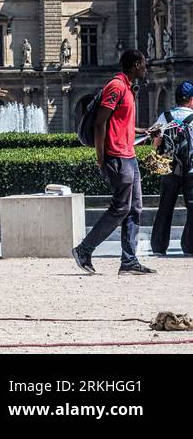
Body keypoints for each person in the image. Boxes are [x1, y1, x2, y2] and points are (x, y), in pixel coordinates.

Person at [72, 50, 155, 275]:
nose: (146, 69)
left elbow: (119, 122)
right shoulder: (116, 86)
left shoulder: (127, 87)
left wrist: (142, 130)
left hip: (129, 155)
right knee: (120, 208)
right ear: (136, 64)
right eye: (144, 65)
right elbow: (100, 123)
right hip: (117, 156)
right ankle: (84, 249)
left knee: (134, 208)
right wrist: (101, 158)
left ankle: (129, 261)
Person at [149, 81, 193, 255]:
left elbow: (155, 143)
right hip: (191, 171)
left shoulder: (164, 117)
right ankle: (189, 246)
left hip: (169, 169)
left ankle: (159, 247)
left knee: (165, 208)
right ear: (191, 100)